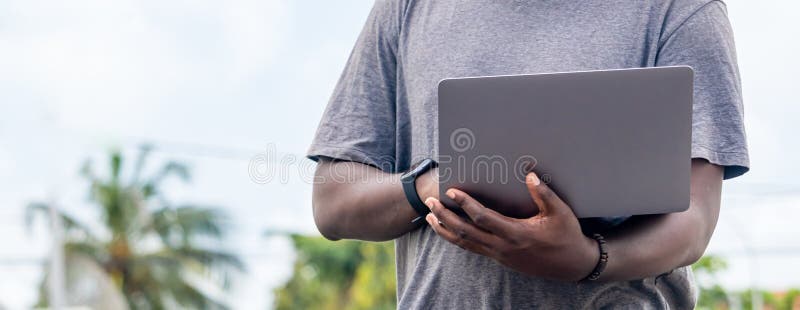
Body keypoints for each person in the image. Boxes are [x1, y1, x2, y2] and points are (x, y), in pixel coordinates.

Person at [307, 0, 749, 308]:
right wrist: (432, 185)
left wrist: (586, 260)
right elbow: (333, 203)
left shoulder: (681, 7)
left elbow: (695, 219)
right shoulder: (407, 7)